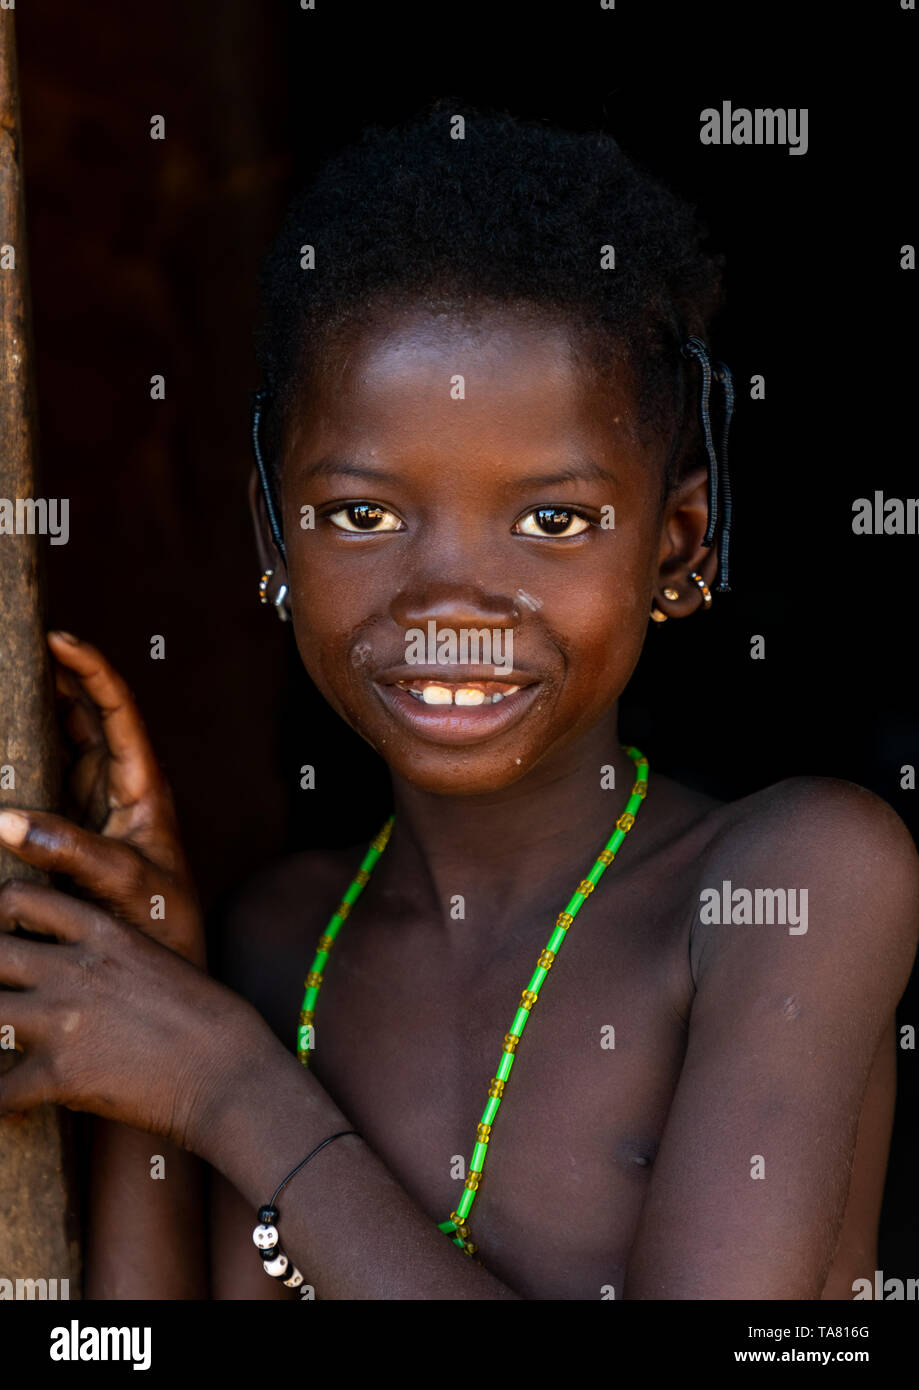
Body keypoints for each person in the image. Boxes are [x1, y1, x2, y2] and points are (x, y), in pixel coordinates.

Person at [0, 106, 916, 1301]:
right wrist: (154, 991)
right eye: (365, 515)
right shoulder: (274, 945)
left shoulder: (791, 883)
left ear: (677, 545)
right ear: (274, 531)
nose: (449, 600)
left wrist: (230, 1089)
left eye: (552, 519)